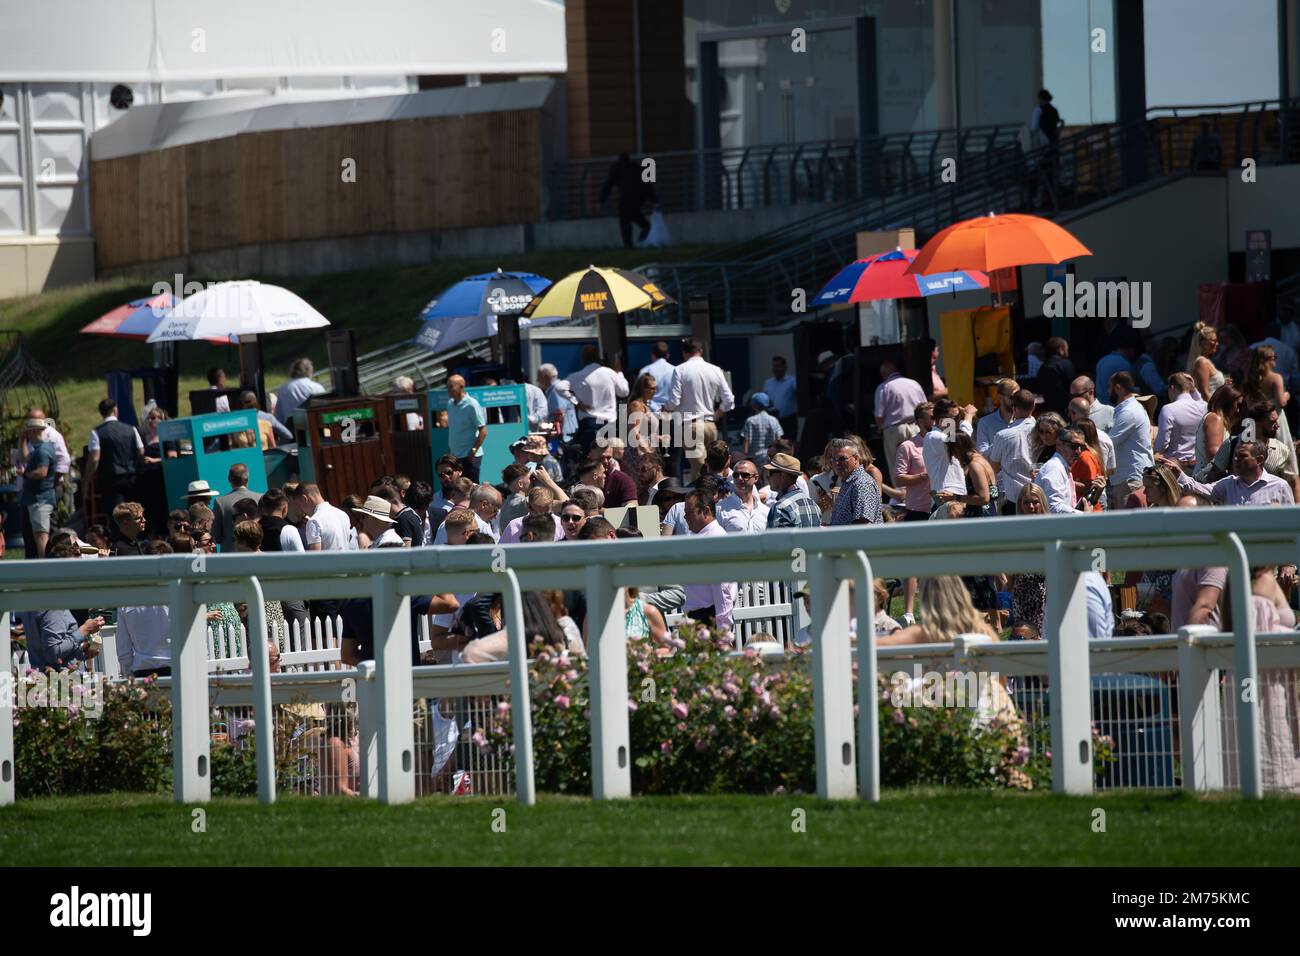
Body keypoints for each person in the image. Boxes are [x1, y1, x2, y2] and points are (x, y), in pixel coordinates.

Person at [18, 539, 104, 669]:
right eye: (76, 571)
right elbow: (52, 653)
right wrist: (84, 630)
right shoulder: (53, 605)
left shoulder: (38, 597)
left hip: (49, 679)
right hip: (60, 683)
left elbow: (49, 649)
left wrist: (82, 652)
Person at [1171, 439, 1295, 506]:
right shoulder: (1229, 484)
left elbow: (1291, 522)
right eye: (1235, 456)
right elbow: (1200, 490)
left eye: (1242, 456)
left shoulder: (1280, 486)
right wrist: (1179, 475)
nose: (1236, 459)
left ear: (1259, 460)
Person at [681, 490, 735, 630]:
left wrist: (723, 627)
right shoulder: (700, 537)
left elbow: (723, 588)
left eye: (689, 512)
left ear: (706, 511)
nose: (685, 517)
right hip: (697, 617)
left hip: (709, 618)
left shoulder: (715, 539)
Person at [86, 398, 145, 521]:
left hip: (110, 479)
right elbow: (141, 451)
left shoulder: (97, 432)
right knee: (134, 512)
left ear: (101, 413)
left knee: (117, 515)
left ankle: (119, 538)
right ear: (115, 410)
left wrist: (87, 478)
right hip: (131, 476)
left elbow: (94, 458)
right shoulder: (131, 429)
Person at [874, 359, 926, 484]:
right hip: (916, 427)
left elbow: (879, 417)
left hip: (895, 431)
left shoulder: (883, 387)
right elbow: (926, 407)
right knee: (920, 461)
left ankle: (902, 496)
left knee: (898, 467)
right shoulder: (914, 383)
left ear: (883, 374)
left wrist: (879, 428)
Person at [1107, 371, 1154, 509]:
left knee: (1129, 526)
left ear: (1118, 388)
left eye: (1109, 388)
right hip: (1127, 478)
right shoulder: (1126, 409)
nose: (1107, 392)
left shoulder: (1129, 412)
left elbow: (1110, 442)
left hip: (1130, 480)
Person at [598, 152, 657, 248]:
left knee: (625, 221)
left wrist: (601, 200)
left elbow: (608, 185)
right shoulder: (638, 167)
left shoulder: (616, 168)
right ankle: (643, 233)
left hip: (625, 197)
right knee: (635, 215)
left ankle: (628, 244)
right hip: (639, 197)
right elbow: (648, 186)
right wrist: (654, 200)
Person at [18, 417, 58, 559]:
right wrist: (22, 440)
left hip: (40, 500)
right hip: (35, 499)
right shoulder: (39, 449)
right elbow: (24, 458)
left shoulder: (42, 451)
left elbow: (42, 472)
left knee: (41, 536)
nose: (27, 435)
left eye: (28, 433)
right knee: (37, 535)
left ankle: (44, 565)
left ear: (33, 431)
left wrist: (25, 474)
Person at [1156, 372, 1207, 469]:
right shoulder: (1203, 407)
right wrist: (1194, 389)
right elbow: (1202, 401)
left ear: (1172, 388)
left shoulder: (1168, 409)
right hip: (1197, 464)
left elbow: (1161, 446)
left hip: (1174, 465)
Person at [1194, 383, 1244, 480]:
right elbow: (1214, 456)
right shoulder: (1215, 419)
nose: (1238, 410)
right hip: (1207, 480)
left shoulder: (1215, 418)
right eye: (1237, 404)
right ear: (1227, 403)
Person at [827, 437, 881, 525]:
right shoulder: (849, 482)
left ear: (856, 458)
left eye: (842, 459)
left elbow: (863, 526)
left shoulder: (862, 483)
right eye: (834, 459)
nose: (837, 463)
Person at [444, 374, 487, 482]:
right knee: (458, 490)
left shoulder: (472, 404)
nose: (448, 390)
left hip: (470, 458)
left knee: (471, 491)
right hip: (455, 457)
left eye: (451, 386)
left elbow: (483, 431)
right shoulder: (450, 404)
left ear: (461, 386)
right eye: (447, 386)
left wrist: (472, 452)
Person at [895, 403, 934, 521]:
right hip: (919, 511)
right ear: (921, 422)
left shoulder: (945, 442)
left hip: (943, 508)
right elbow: (899, 480)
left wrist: (952, 416)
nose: (938, 420)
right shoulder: (907, 446)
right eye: (933, 417)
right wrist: (924, 476)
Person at [211, 463, 261, 553]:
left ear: (229, 479)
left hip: (231, 559)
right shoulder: (260, 498)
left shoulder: (220, 502)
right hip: (257, 555)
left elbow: (216, 536)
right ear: (247, 479)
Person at [763, 453, 821, 529]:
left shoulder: (780, 508)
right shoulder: (813, 504)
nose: (768, 477)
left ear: (782, 475)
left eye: (771, 473)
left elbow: (774, 540)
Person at [1034, 425, 1081, 513]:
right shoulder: (1054, 468)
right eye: (1074, 446)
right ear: (1059, 445)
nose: (1079, 451)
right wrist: (1083, 515)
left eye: (1081, 447)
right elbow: (1054, 507)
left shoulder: (1062, 467)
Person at [715, 458, 769, 533]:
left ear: (756, 478)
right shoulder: (720, 509)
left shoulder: (766, 511)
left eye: (745, 475)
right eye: (736, 475)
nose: (739, 478)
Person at [974, 378, 1020, 455]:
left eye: (1018, 396)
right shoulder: (985, 423)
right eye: (1012, 397)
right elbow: (982, 454)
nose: (1017, 400)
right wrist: (1001, 442)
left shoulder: (1025, 421)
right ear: (1000, 397)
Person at [275, 358, 326, 424]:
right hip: (315, 427)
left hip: (292, 429)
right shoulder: (317, 387)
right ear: (310, 371)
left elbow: (279, 416)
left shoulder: (283, 388)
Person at [537, 363, 578, 443]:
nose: (537, 380)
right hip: (565, 436)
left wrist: (554, 436)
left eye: (539, 377)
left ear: (546, 377)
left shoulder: (555, 391)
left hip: (562, 438)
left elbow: (559, 414)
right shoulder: (557, 389)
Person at [762, 355, 799, 441]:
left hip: (788, 421)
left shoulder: (792, 381)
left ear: (784, 367)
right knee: (774, 448)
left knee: (789, 446)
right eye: (774, 366)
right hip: (773, 420)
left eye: (778, 366)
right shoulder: (768, 382)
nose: (776, 369)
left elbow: (800, 394)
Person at [740, 393, 782, 468]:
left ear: (754, 406)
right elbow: (778, 439)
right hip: (770, 459)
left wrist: (744, 457)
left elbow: (746, 440)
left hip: (754, 459)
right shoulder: (773, 420)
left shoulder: (750, 421)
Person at [1186, 321, 1225, 401]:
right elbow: (1205, 394)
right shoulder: (1201, 362)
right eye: (1214, 341)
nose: (1217, 344)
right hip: (1212, 408)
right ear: (1203, 343)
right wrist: (1216, 411)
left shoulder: (1206, 360)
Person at [1095, 338, 1137, 408]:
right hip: (1114, 407)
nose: (1133, 354)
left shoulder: (1102, 360)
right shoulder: (1124, 363)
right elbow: (1129, 388)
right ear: (1130, 350)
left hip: (1100, 405)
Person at [1035, 338, 1073, 413]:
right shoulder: (1065, 364)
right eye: (1066, 349)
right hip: (1065, 408)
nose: (1067, 351)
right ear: (1061, 349)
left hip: (1048, 409)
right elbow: (1073, 384)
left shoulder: (1043, 366)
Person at [637, 341, 676, 413]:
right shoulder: (676, 370)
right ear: (667, 355)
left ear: (652, 355)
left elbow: (639, 393)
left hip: (649, 413)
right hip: (671, 413)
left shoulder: (645, 371)